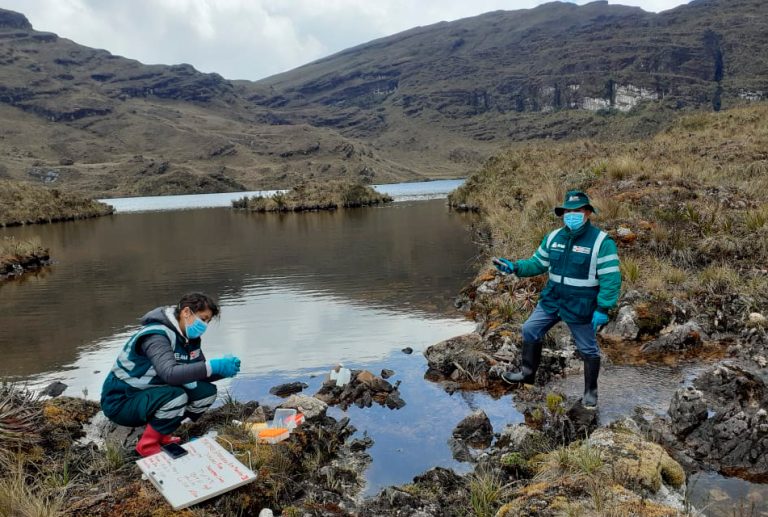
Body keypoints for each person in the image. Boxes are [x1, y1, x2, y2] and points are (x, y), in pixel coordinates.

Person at [492, 190, 621, 408]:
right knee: (530, 329)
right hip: (552, 300)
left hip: (581, 305)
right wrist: (514, 267)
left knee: (588, 349)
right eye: (567, 211)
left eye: (577, 210)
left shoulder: (602, 242)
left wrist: (603, 308)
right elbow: (537, 264)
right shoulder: (553, 237)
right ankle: (527, 374)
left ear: (588, 212)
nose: (571, 215)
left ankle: (590, 392)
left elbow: (611, 279)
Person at [100, 292, 241, 456]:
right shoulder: (156, 336)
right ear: (186, 312)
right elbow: (170, 374)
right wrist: (212, 366)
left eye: (207, 321)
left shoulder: (189, 338)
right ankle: (147, 445)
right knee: (176, 396)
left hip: (149, 393)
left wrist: (222, 370)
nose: (205, 326)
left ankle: (163, 433)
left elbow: (196, 373)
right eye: (203, 319)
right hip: (122, 400)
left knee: (206, 393)